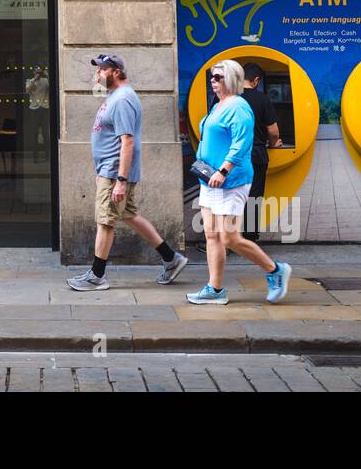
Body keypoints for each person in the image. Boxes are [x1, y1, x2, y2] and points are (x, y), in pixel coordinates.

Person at [67, 54, 189, 292]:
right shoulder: (115, 96)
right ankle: (171, 258)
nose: (97, 74)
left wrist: (120, 180)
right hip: (111, 169)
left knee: (105, 221)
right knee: (129, 215)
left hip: (114, 172)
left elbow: (127, 141)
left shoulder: (122, 99)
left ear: (115, 71)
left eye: (101, 70)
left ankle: (96, 276)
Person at [187, 59, 291, 305]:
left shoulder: (239, 106)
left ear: (232, 79)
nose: (213, 81)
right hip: (210, 179)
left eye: (218, 77)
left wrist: (223, 170)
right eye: (211, 77)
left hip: (230, 181)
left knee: (230, 238)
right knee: (211, 234)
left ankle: (275, 270)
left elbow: (241, 142)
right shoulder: (220, 105)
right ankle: (215, 289)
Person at [240, 63, 282, 243]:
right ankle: (249, 238)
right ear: (256, 80)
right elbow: (273, 132)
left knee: (230, 196)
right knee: (253, 196)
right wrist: (275, 143)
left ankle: (227, 237)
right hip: (256, 155)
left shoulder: (225, 97)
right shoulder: (262, 100)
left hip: (230, 159)